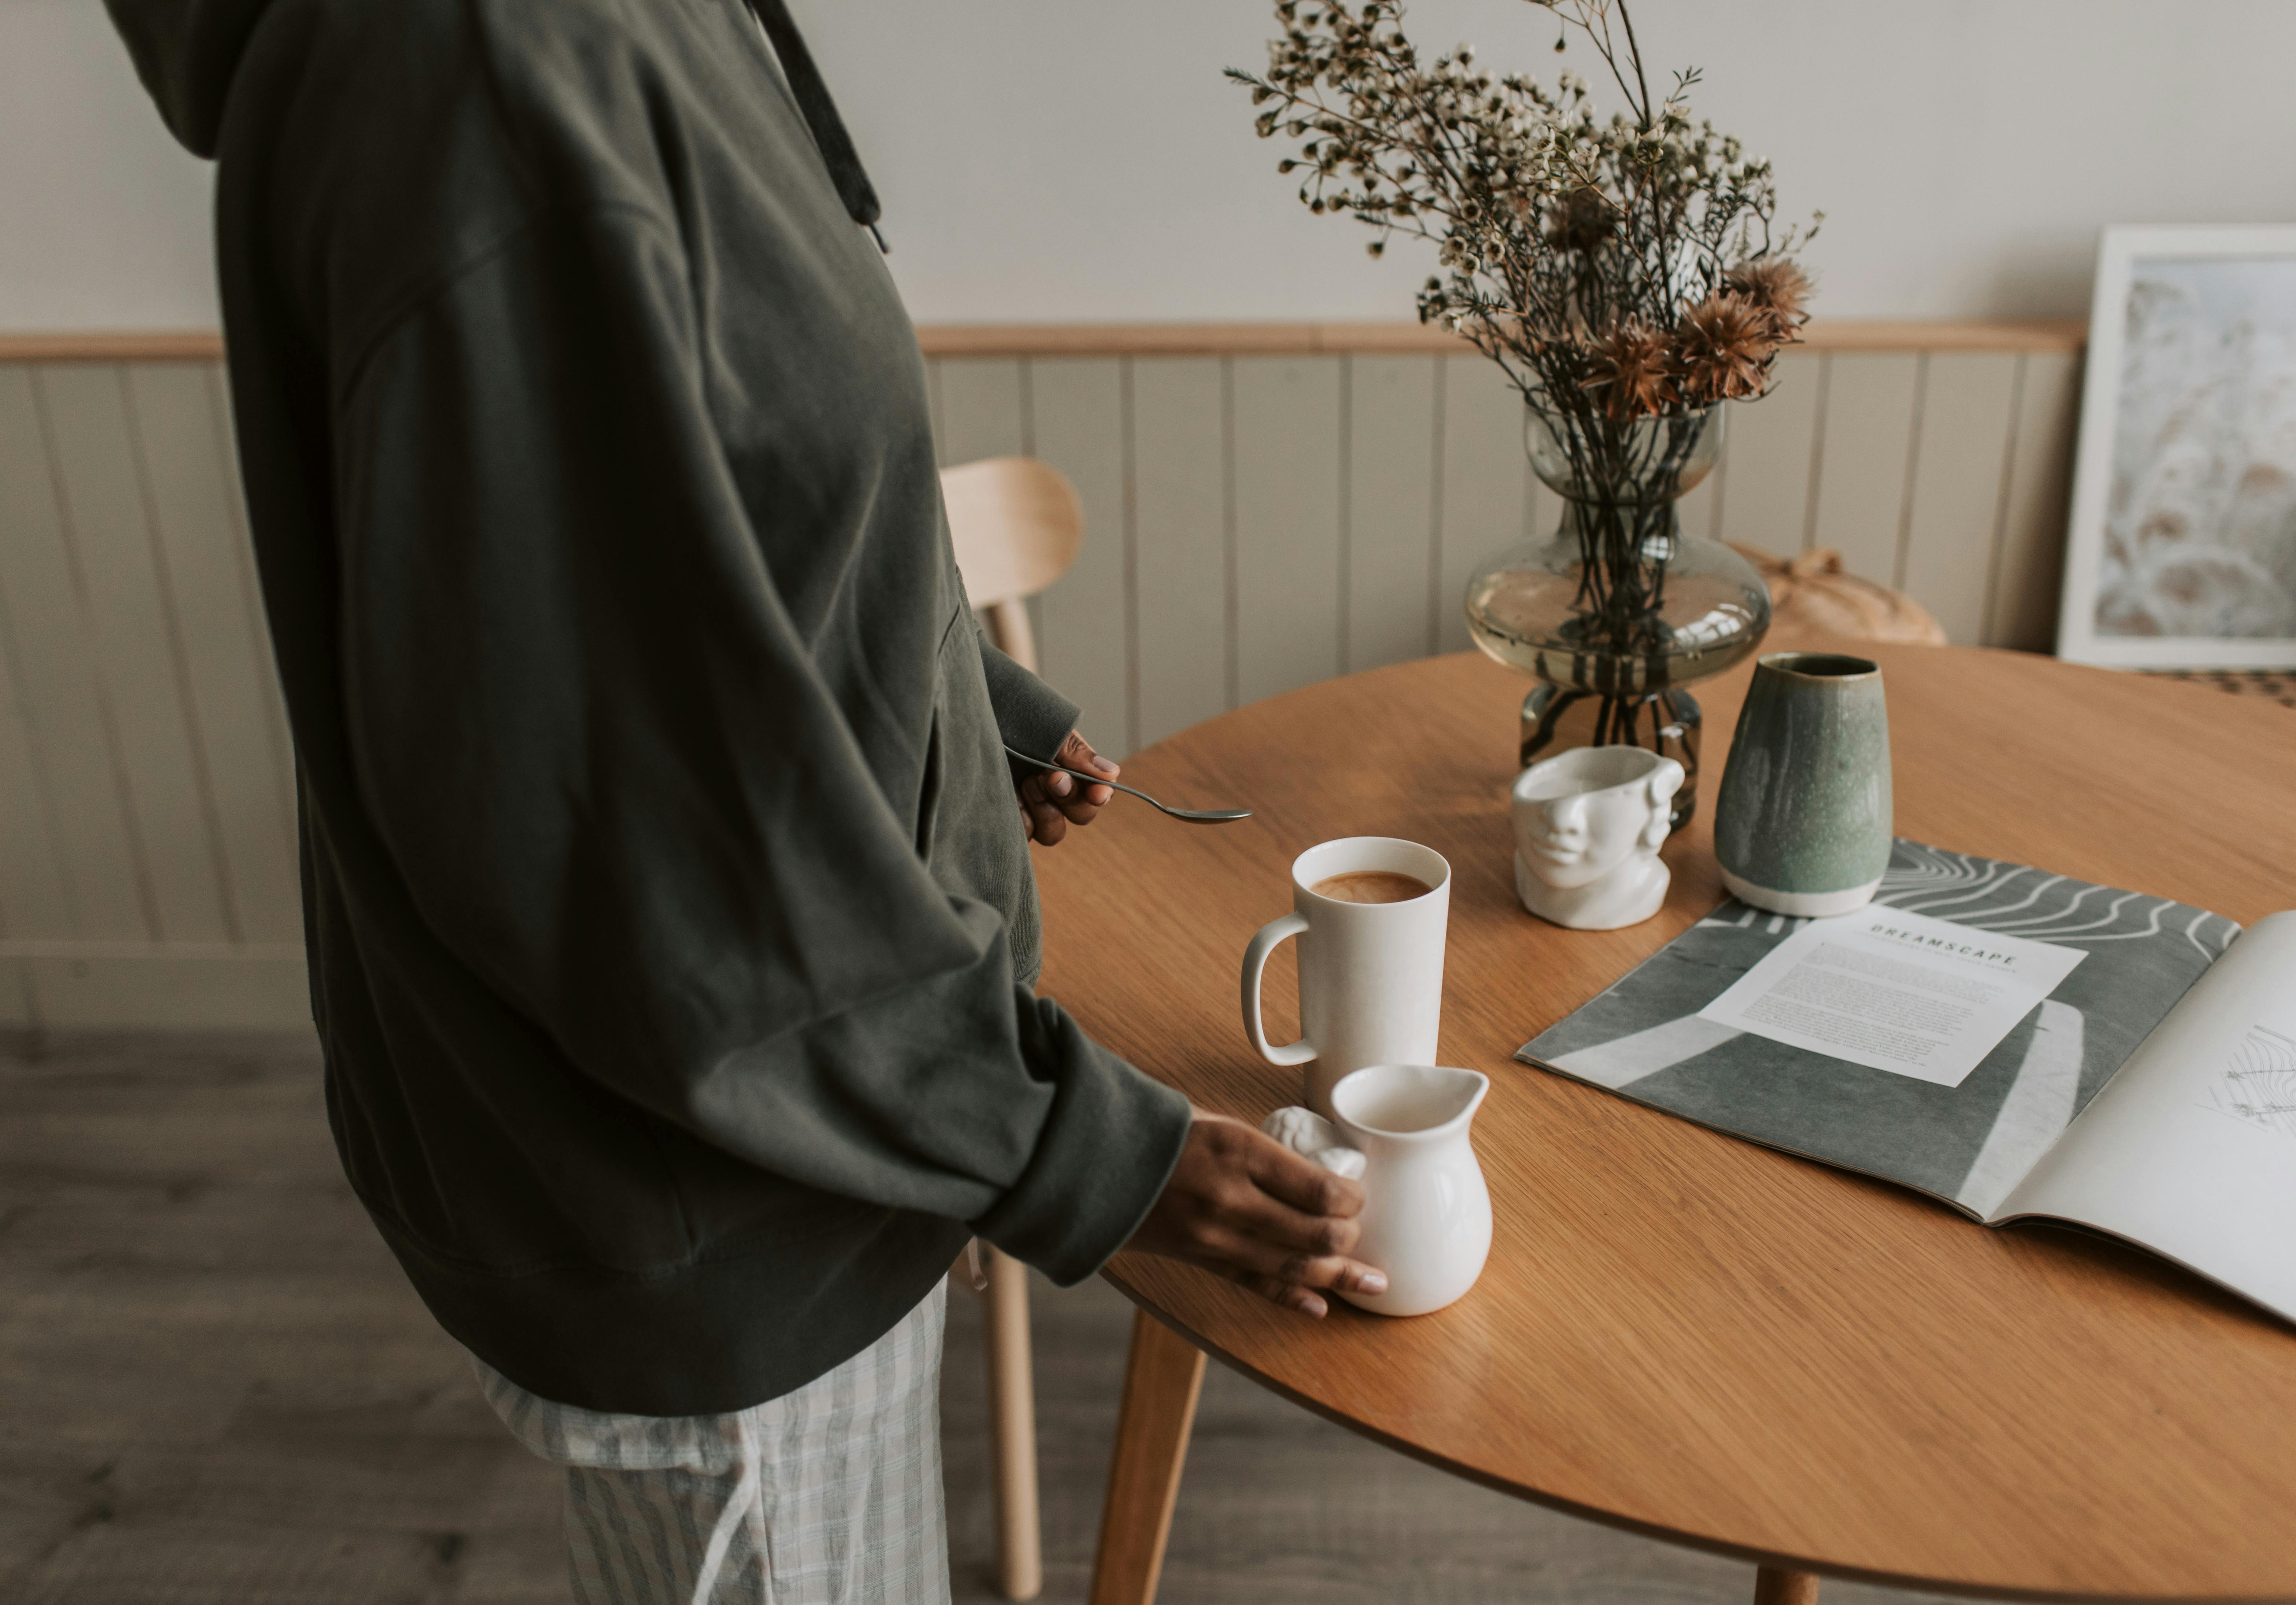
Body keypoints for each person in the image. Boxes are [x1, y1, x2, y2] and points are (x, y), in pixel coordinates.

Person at [100, 0, 1385, 1599]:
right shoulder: (488, 75)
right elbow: (628, 826)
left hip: (809, 1134)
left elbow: (703, 515)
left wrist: (951, 711)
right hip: (725, 1191)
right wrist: (1080, 1148)